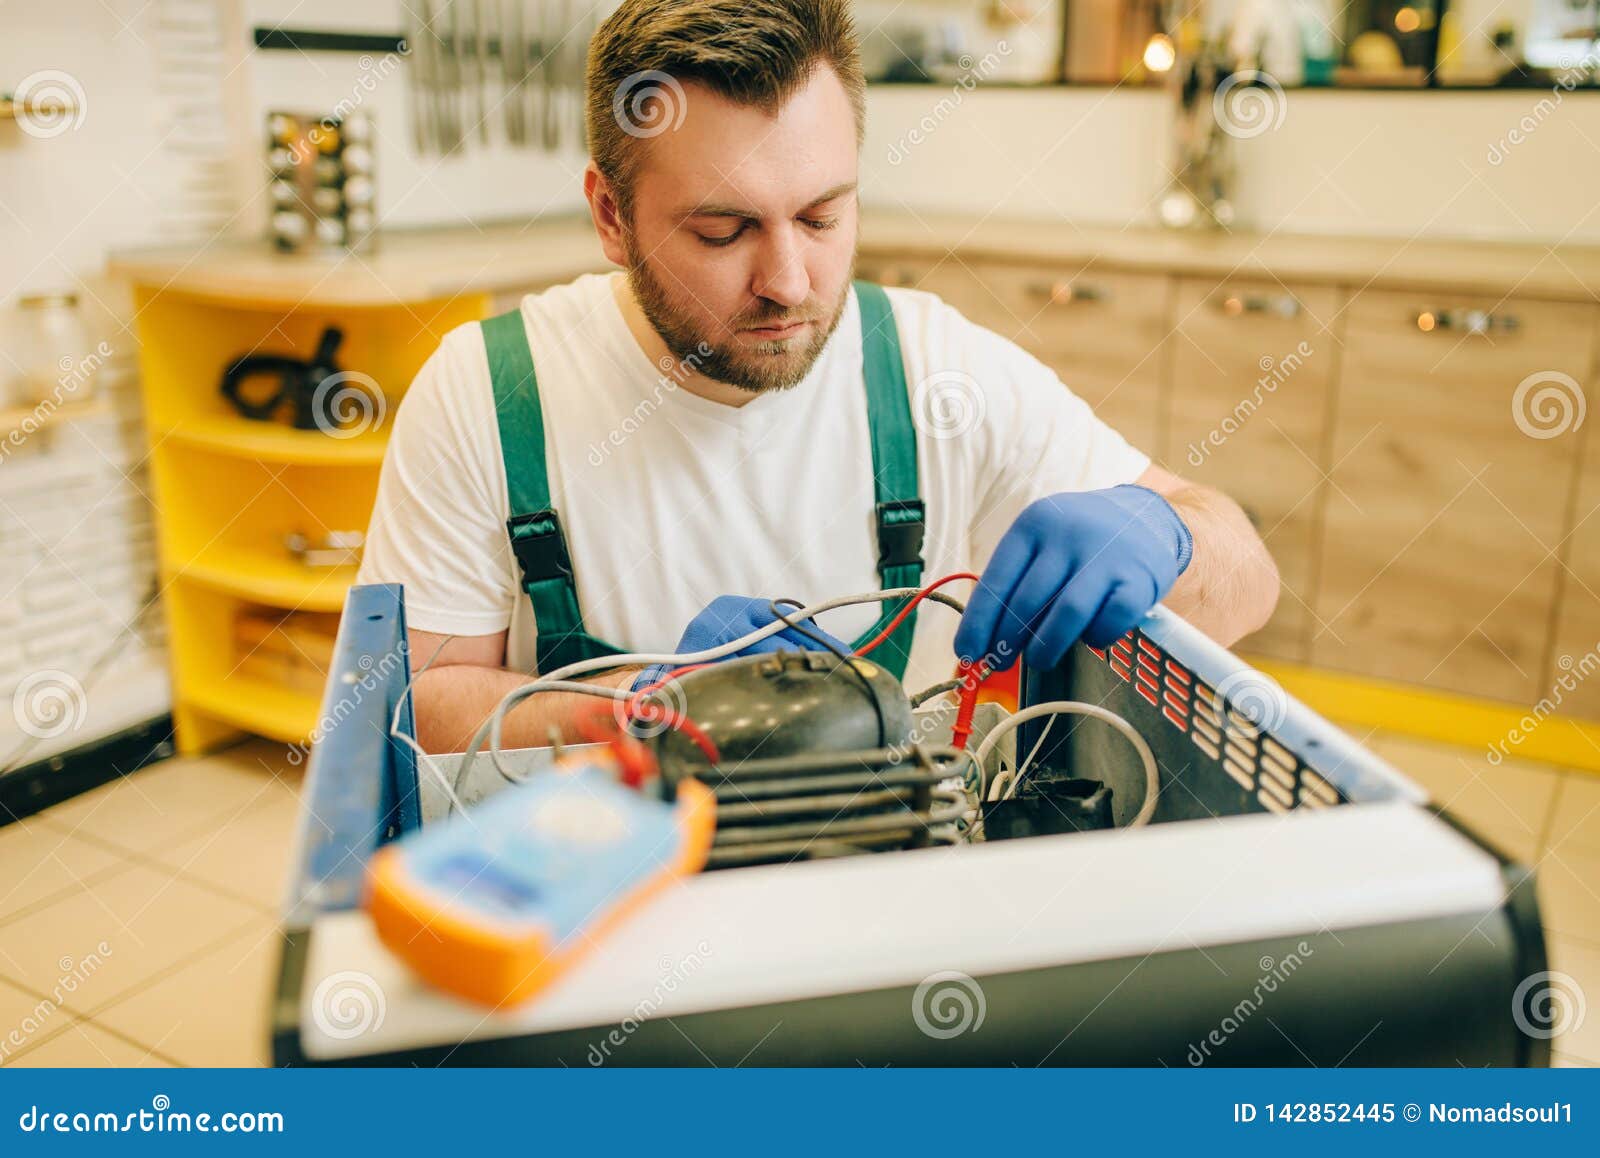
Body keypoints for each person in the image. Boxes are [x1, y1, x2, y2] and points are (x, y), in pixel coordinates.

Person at [357, 0, 1279, 754]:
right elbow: (419, 705)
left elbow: (1248, 581)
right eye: (723, 232)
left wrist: (1172, 536)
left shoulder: (937, 375)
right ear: (610, 216)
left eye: (822, 216)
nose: (789, 282)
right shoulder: (489, 391)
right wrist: (638, 704)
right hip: (599, 890)